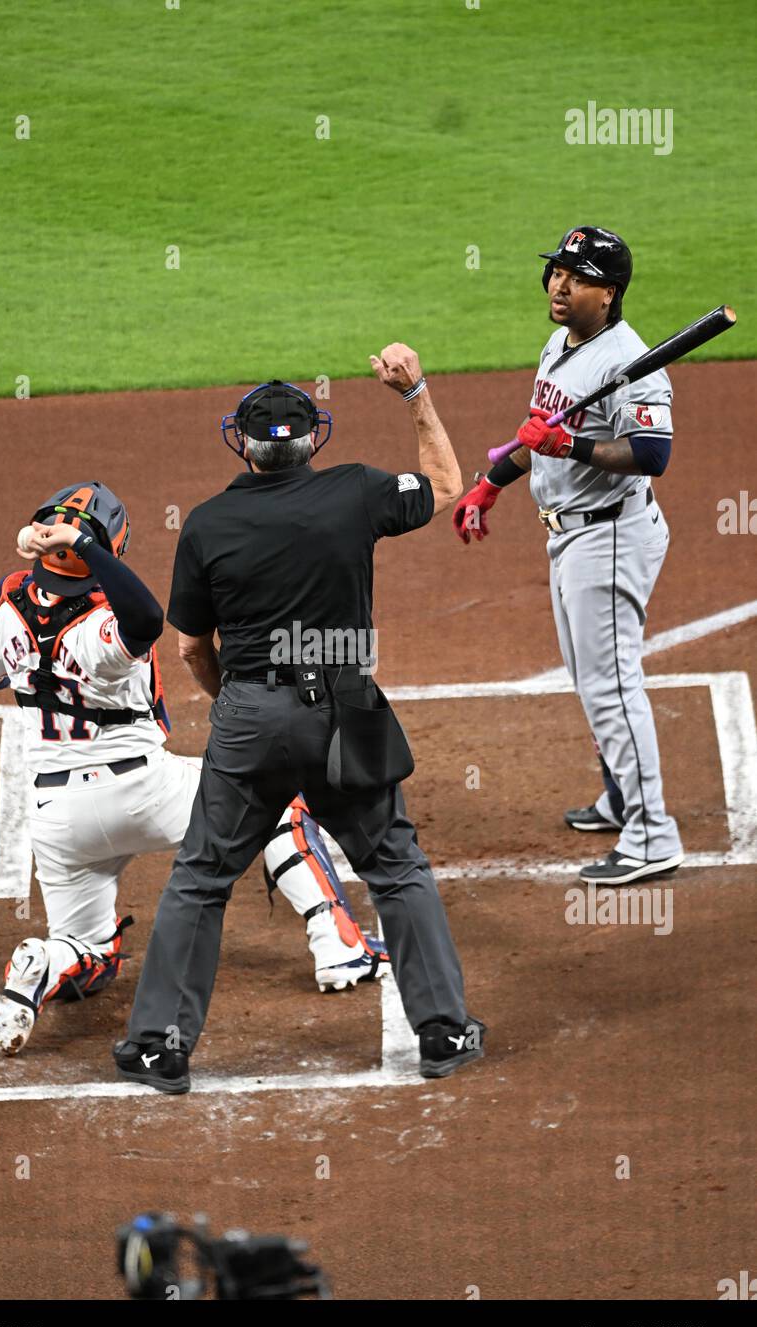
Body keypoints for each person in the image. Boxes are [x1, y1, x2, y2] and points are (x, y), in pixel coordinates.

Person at [114, 361, 486, 1095]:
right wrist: (415, 395)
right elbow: (445, 484)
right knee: (395, 867)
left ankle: (161, 1046)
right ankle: (443, 1032)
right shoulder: (354, 492)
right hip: (344, 711)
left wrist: (239, 705)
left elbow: (191, 645)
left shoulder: (210, 522)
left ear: (244, 447)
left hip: (252, 717)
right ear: (313, 441)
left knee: (200, 879)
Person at [0, 482, 387, 1057]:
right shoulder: (105, 622)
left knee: (90, 958)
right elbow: (146, 619)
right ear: (110, 544)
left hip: (57, 820)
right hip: (142, 789)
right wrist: (85, 551)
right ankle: (339, 945)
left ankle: (43, 961)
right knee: (276, 804)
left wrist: (31, 574)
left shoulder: (3, 607)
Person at [453, 226, 684, 885]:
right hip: (571, 534)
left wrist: (569, 449)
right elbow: (538, 432)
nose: (559, 284)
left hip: (610, 536)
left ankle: (651, 837)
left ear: (607, 294)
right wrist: (491, 485)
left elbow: (651, 454)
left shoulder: (633, 362)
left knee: (610, 685)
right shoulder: (560, 344)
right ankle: (621, 797)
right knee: (594, 679)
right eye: (556, 270)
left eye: (576, 277)